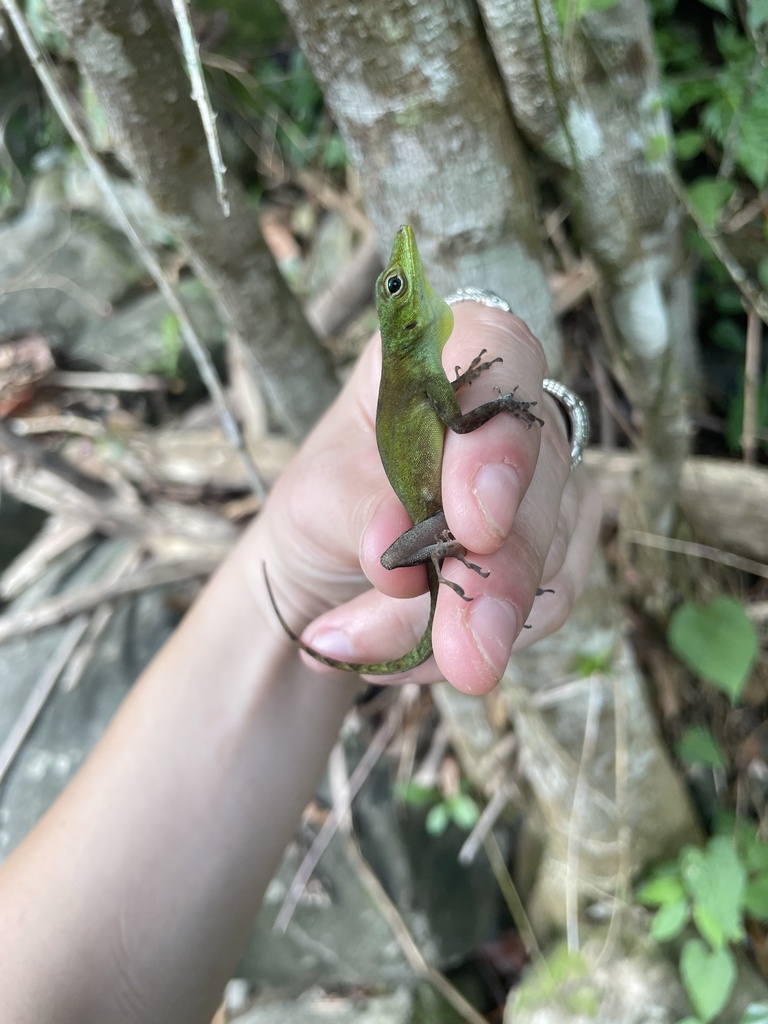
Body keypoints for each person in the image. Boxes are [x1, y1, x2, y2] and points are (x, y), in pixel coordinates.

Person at [0, 302, 600, 1023]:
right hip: (427, 537)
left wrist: (289, 581)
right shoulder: (418, 375)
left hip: (400, 548)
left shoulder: (413, 377)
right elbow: (464, 417)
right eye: (402, 289)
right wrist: (517, 408)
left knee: (460, 538)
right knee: (456, 539)